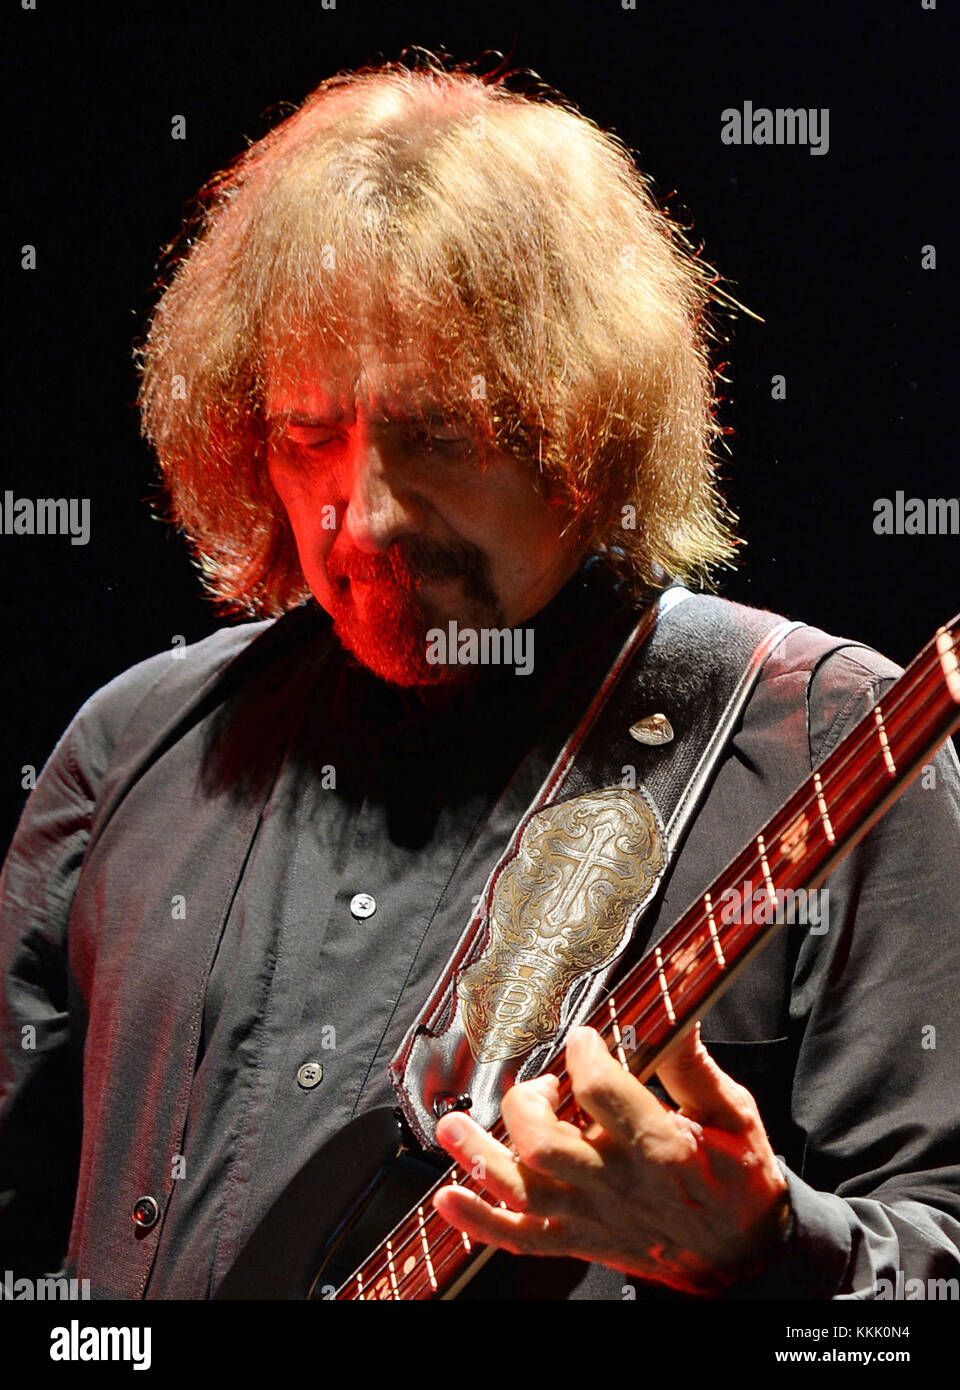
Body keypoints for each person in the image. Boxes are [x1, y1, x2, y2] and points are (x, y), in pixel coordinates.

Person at [1, 56, 958, 1303]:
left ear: (586, 431)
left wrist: (764, 1250)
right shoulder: (131, 750)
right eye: (307, 438)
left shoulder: (835, 743)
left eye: (438, 434)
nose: (364, 516)